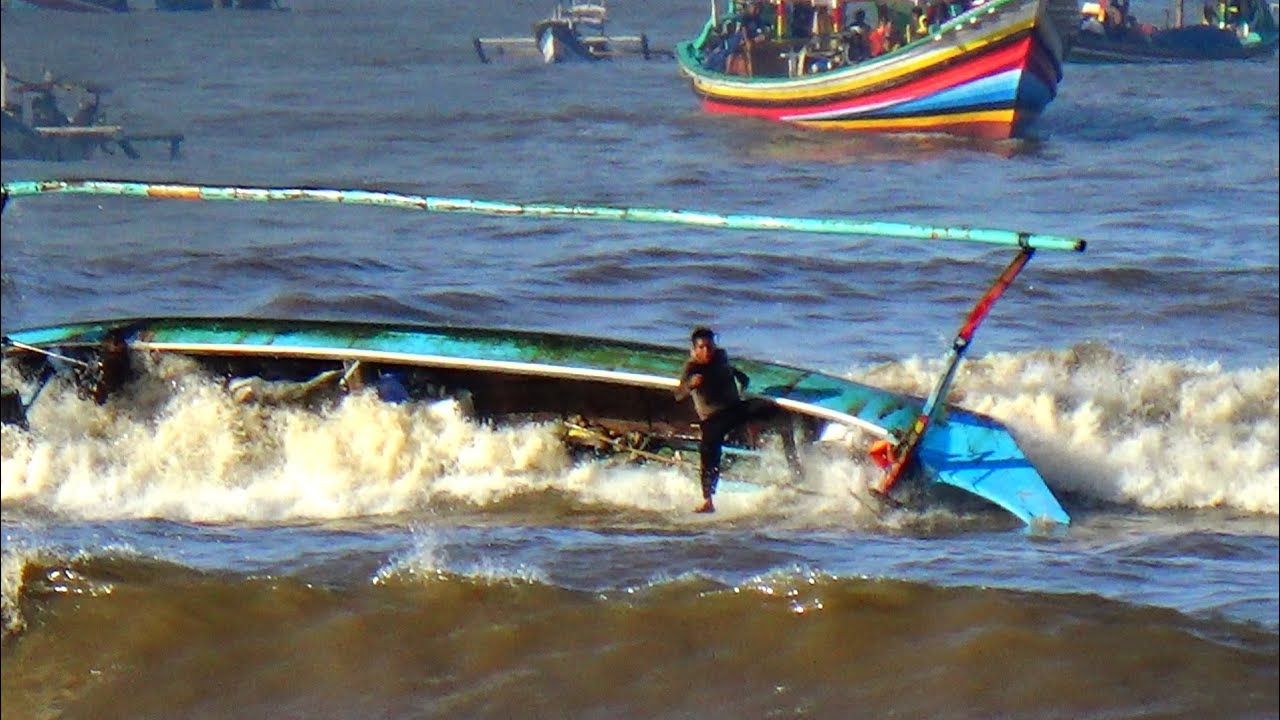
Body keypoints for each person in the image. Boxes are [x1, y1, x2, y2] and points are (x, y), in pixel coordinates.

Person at [673, 327, 800, 513]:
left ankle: (794, 465)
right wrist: (690, 385)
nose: (706, 351)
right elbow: (677, 394)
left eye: (710, 346)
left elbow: (733, 371)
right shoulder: (693, 367)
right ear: (694, 349)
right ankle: (708, 499)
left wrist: (741, 378)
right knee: (708, 447)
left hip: (735, 408)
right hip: (713, 417)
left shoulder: (720, 356)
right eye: (701, 348)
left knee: (778, 414)